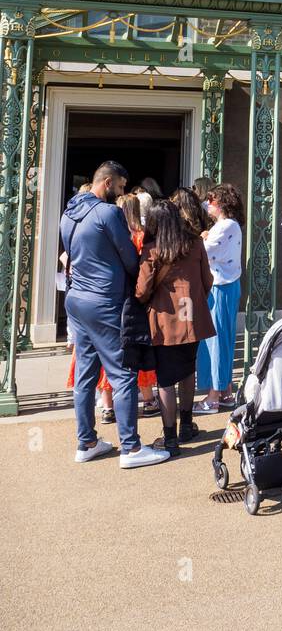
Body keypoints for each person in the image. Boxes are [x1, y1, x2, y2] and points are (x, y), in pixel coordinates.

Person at [60, 160, 169, 468]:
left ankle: (87, 442)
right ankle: (132, 449)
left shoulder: (68, 214)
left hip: (77, 299)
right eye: (120, 186)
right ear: (108, 183)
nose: (122, 191)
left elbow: (70, 255)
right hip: (105, 301)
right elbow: (129, 257)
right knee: (123, 374)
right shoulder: (108, 213)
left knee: (85, 375)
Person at [136, 200, 216, 457]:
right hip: (191, 317)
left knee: (166, 380)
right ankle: (187, 425)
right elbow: (208, 281)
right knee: (187, 371)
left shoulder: (152, 250)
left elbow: (141, 290)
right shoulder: (195, 243)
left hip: (164, 321)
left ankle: (170, 438)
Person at [195, 183, 244, 414]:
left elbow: (206, 252)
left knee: (216, 340)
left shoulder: (225, 226)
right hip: (224, 286)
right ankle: (224, 391)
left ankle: (214, 396)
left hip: (220, 287)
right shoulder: (227, 226)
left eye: (211, 200)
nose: (208, 204)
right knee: (221, 339)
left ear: (221, 203)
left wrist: (202, 238)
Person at [118, 193, 158, 417]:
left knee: (121, 348)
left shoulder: (120, 236)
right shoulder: (142, 236)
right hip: (141, 298)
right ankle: (149, 399)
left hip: (120, 297)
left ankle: (112, 403)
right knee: (141, 348)